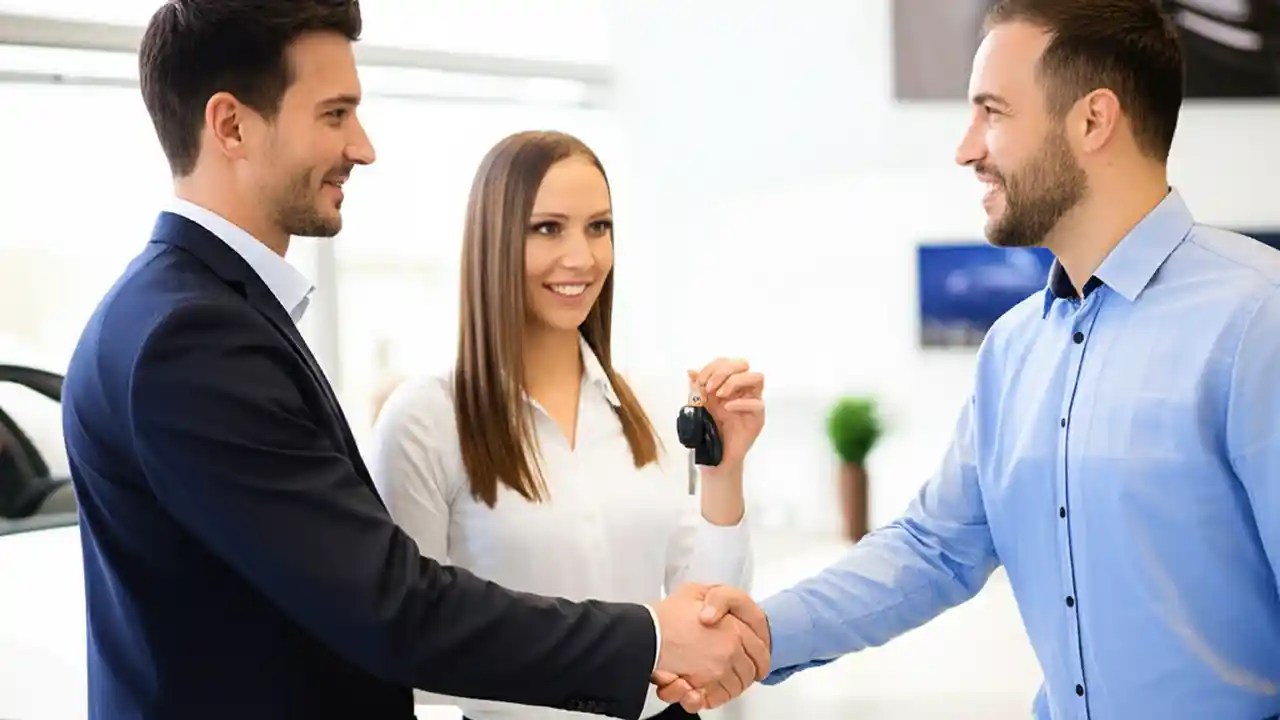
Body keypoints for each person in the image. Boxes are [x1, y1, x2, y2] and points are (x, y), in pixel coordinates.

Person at [59, 2, 769, 719]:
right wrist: (648, 639)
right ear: (232, 125)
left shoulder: (183, 314)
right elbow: (393, 607)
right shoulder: (192, 337)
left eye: (599, 227)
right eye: (335, 114)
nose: (363, 147)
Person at [671, 0, 1280, 718]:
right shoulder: (1014, 347)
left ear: (1093, 120)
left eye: (992, 112)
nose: (965, 149)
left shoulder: (1256, 320)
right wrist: (762, 635)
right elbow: (934, 548)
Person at [368, 130, 763, 720]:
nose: (582, 258)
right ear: (495, 240)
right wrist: (601, 666)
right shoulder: (424, 421)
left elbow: (710, 609)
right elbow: (405, 646)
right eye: (548, 228)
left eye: (598, 227)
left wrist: (723, 470)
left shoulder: (650, 405)